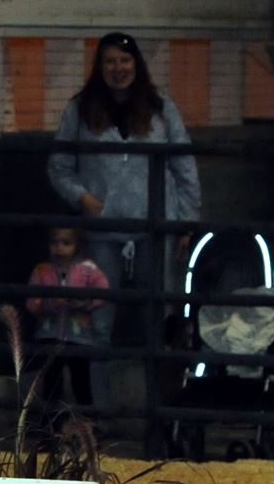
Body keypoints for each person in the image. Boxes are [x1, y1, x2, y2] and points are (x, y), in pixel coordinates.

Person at [46, 31, 201, 397]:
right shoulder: (80, 110)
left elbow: (184, 166)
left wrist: (186, 223)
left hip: (154, 228)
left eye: (125, 60)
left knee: (157, 324)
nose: (118, 68)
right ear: (100, 67)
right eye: (110, 61)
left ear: (136, 64)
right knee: (98, 323)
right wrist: (84, 199)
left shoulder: (161, 107)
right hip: (103, 231)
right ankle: (98, 416)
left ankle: (160, 412)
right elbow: (59, 166)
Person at [24, 225, 110, 416]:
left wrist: (83, 302)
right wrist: (48, 304)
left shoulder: (88, 269)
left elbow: (103, 291)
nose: (59, 248)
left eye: (66, 243)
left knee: (82, 383)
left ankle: (86, 425)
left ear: (77, 245)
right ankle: (50, 427)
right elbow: (31, 301)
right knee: (51, 384)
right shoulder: (42, 270)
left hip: (80, 337)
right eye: (54, 242)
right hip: (49, 336)